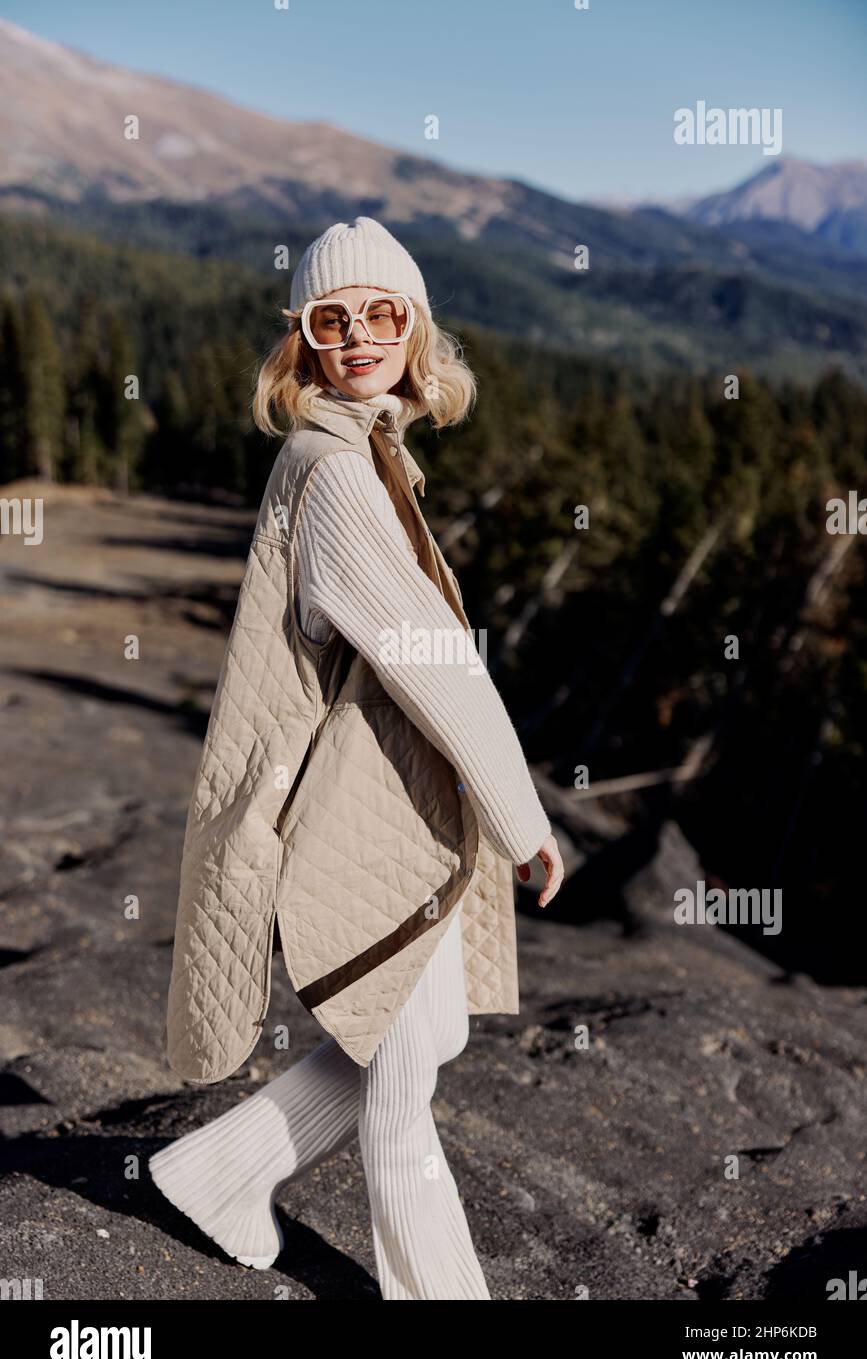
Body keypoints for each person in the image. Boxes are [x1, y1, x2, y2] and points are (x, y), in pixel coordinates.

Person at [149, 216, 563, 1300]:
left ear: (416, 327)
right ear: (304, 342)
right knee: (402, 1072)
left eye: (384, 312)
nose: (362, 333)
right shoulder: (336, 476)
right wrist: (523, 817)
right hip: (360, 808)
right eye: (334, 318)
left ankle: (220, 1171)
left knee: (413, 1037)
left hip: (379, 797)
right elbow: (436, 665)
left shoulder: (365, 453)